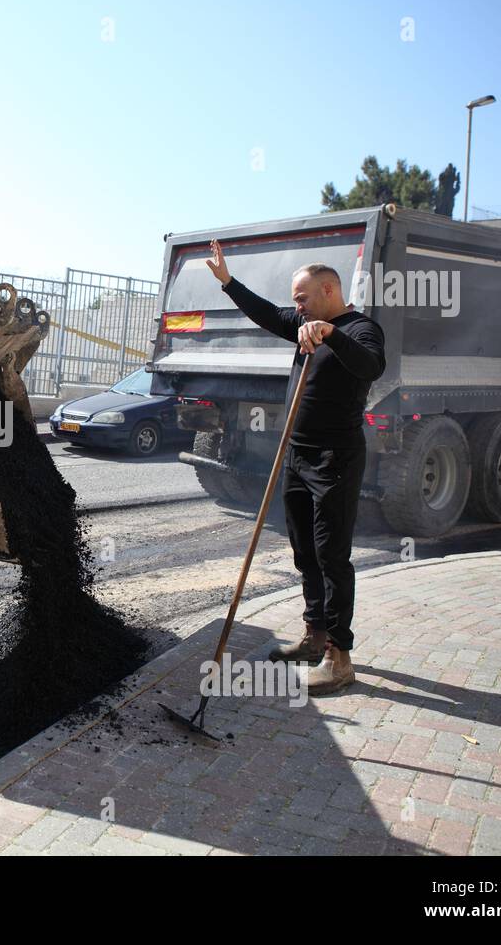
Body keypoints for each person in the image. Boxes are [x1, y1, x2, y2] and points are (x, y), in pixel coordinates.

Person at [205, 240, 386, 694]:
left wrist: (330, 333)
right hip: (297, 456)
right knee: (304, 550)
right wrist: (228, 283)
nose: (297, 307)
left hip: (335, 460)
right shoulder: (302, 325)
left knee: (331, 556)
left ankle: (339, 658)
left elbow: (371, 366)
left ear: (329, 289)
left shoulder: (361, 329)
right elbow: (267, 313)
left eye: (303, 298)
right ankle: (314, 636)